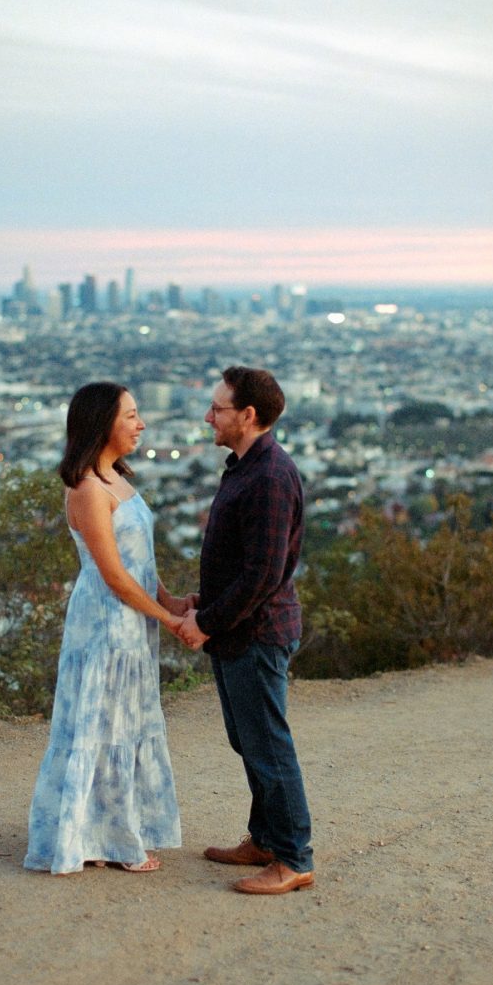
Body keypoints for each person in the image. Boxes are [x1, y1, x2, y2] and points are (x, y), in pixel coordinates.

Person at [24, 382, 189, 875]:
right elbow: (113, 575)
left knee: (123, 723)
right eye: (131, 416)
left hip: (132, 620)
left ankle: (105, 835)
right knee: (105, 724)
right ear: (103, 424)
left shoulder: (116, 478)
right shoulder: (87, 489)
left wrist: (169, 600)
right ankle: (108, 841)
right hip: (104, 623)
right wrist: (172, 620)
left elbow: (139, 563)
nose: (141, 424)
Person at [179, 366, 314, 895]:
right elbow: (244, 563)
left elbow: (263, 573)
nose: (208, 416)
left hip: (255, 633)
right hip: (237, 629)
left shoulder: (270, 477)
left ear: (249, 415)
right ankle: (264, 838)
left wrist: (205, 623)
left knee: (268, 745)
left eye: (218, 408)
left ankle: (294, 858)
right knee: (248, 739)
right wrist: (203, 603)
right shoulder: (244, 467)